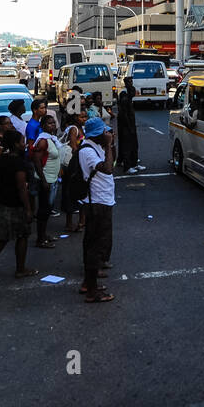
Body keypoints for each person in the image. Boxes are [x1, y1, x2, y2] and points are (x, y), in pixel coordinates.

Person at [0, 129, 35, 283]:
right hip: (15, 204)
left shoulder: (2, 159)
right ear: (16, 144)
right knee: (22, 235)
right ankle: (20, 268)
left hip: (2, 202)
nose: (24, 144)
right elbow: (21, 187)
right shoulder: (18, 163)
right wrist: (28, 208)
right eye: (22, 142)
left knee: (1, 237)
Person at [78, 117, 115, 303]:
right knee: (95, 247)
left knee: (93, 244)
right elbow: (108, 168)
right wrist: (108, 145)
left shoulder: (95, 146)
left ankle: (88, 283)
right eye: (104, 132)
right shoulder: (87, 151)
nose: (107, 134)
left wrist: (109, 145)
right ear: (97, 134)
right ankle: (92, 292)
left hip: (102, 201)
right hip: (97, 204)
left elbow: (111, 164)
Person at [30, 113, 63, 248]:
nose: (53, 125)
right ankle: (40, 239)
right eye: (49, 123)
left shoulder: (52, 138)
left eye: (53, 123)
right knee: (43, 209)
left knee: (48, 209)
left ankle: (44, 235)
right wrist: (43, 180)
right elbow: (36, 161)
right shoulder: (43, 140)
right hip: (45, 179)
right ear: (43, 126)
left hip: (52, 178)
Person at [60, 114, 86, 234]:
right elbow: (73, 146)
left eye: (85, 117)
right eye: (81, 117)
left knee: (81, 194)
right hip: (73, 165)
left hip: (78, 164)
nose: (84, 119)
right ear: (76, 118)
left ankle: (81, 221)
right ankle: (69, 223)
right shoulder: (73, 129)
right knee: (71, 192)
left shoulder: (82, 128)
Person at [116, 77, 143, 173]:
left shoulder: (129, 99)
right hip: (126, 126)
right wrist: (129, 127)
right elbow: (124, 115)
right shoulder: (125, 98)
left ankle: (134, 163)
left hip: (130, 125)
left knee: (134, 145)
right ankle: (127, 166)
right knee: (127, 146)